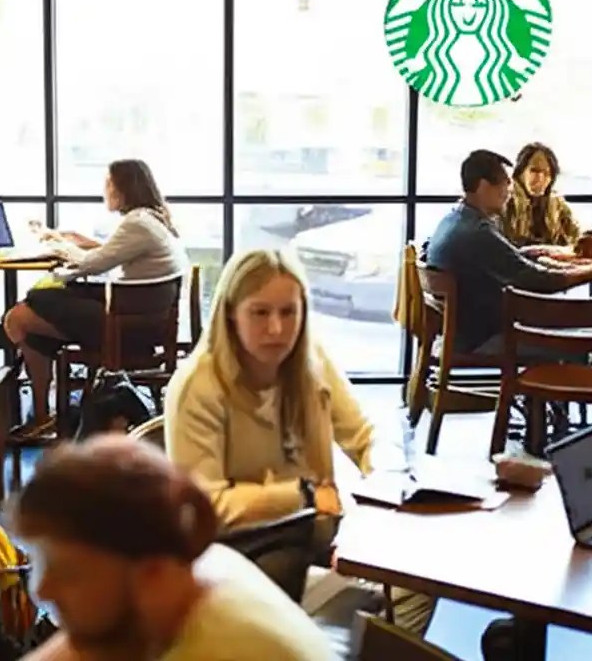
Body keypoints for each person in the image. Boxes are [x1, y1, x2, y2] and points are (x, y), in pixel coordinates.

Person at [164, 248, 435, 637]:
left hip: (316, 539)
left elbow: (366, 432)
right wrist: (301, 495)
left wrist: (385, 479)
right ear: (230, 315)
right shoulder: (197, 386)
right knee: (356, 602)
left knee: (420, 579)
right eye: (260, 313)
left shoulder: (309, 360)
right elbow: (207, 505)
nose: (276, 329)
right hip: (237, 557)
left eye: (288, 312)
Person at [13, 435, 334, 661]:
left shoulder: (220, 651)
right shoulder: (193, 564)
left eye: (68, 572)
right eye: (42, 562)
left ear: (153, 573)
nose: (42, 590)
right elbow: (77, 648)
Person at [3, 159, 188, 440]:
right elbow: (110, 253)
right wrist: (73, 244)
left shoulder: (137, 223)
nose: (105, 190)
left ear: (123, 189)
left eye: (108, 184)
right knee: (30, 314)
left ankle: (43, 415)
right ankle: (44, 414)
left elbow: (92, 264)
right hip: (141, 316)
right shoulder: (150, 219)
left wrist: (60, 248)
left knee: (30, 308)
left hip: (128, 328)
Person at [423, 149, 592, 356]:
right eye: (505, 183)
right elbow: (541, 281)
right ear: (484, 186)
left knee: (576, 333)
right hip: (482, 339)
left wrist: (541, 255)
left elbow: (508, 259)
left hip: (463, 333)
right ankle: (561, 386)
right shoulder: (477, 233)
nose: (510, 190)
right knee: (582, 344)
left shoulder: (456, 219)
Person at [499, 142, 582, 257]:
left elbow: (576, 237)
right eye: (534, 171)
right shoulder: (504, 201)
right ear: (520, 172)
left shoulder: (557, 205)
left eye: (547, 173)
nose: (540, 178)